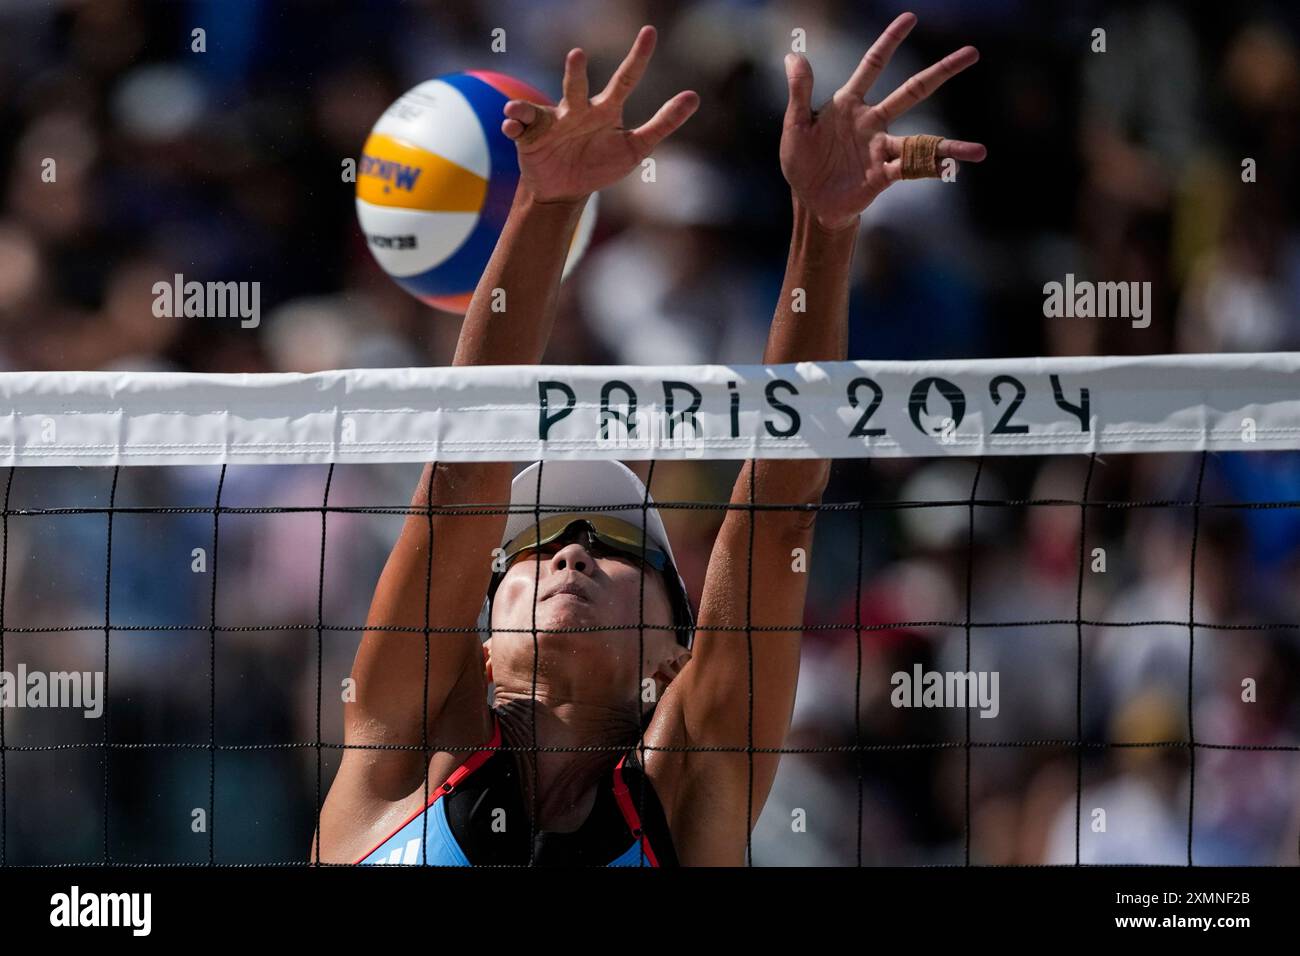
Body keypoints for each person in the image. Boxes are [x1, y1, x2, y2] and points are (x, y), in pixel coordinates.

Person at [316, 14, 985, 866]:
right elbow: (464, 466)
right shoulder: (396, 754)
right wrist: (548, 202)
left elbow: (780, 516)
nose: (571, 553)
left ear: (676, 656)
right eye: (539, 545)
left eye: (619, 545)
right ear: (481, 641)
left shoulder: (689, 797)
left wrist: (826, 228)